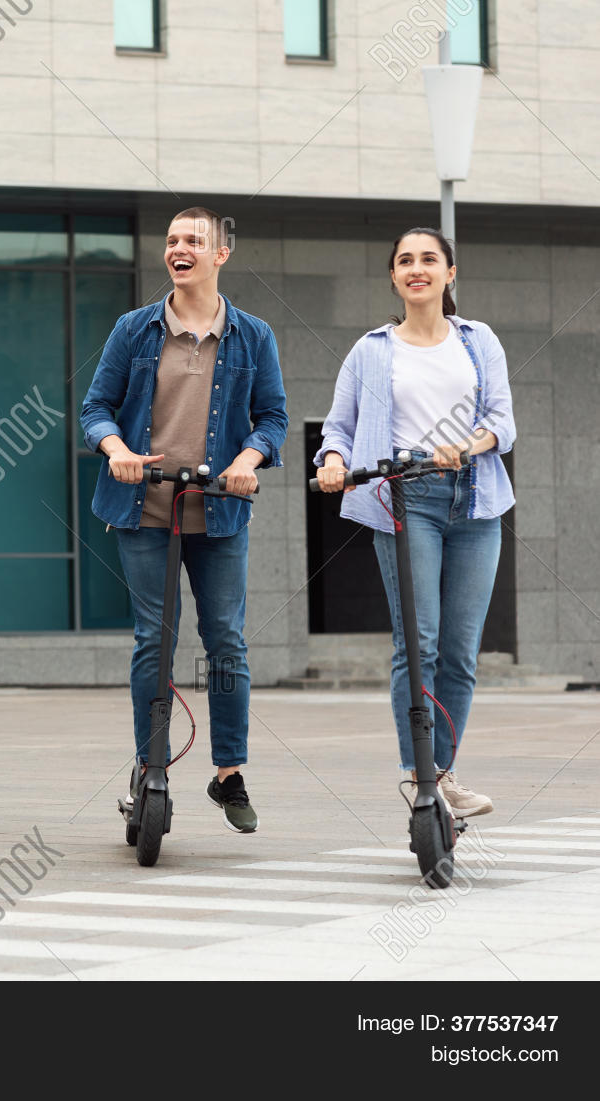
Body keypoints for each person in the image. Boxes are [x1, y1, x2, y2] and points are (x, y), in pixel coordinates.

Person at [80, 207, 288, 833]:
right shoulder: (134, 329)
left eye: (194, 240)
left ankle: (228, 772)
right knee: (156, 638)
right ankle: (151, 766)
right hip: (144, 510)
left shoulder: (253, 335)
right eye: (172, 240)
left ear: (221, 253)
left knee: (225, 640)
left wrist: (247, 461)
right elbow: (96, 408)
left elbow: (272, 418)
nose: (179, 249)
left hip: (219, 512)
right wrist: (116, 450)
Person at [313, 227, 515, 818]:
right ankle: (420, 774)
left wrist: (468, 443)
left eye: (429, 259)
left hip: (474, 500)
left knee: (461, 651)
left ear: (450, 273)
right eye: (405, 261)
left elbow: (502, 421)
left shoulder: (478, 340)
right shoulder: (371, 349)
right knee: (418, 643)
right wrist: (332, 460)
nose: (417, 268)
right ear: (394, 277)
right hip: (406, 499)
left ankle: (442, 774)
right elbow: (338, 427)